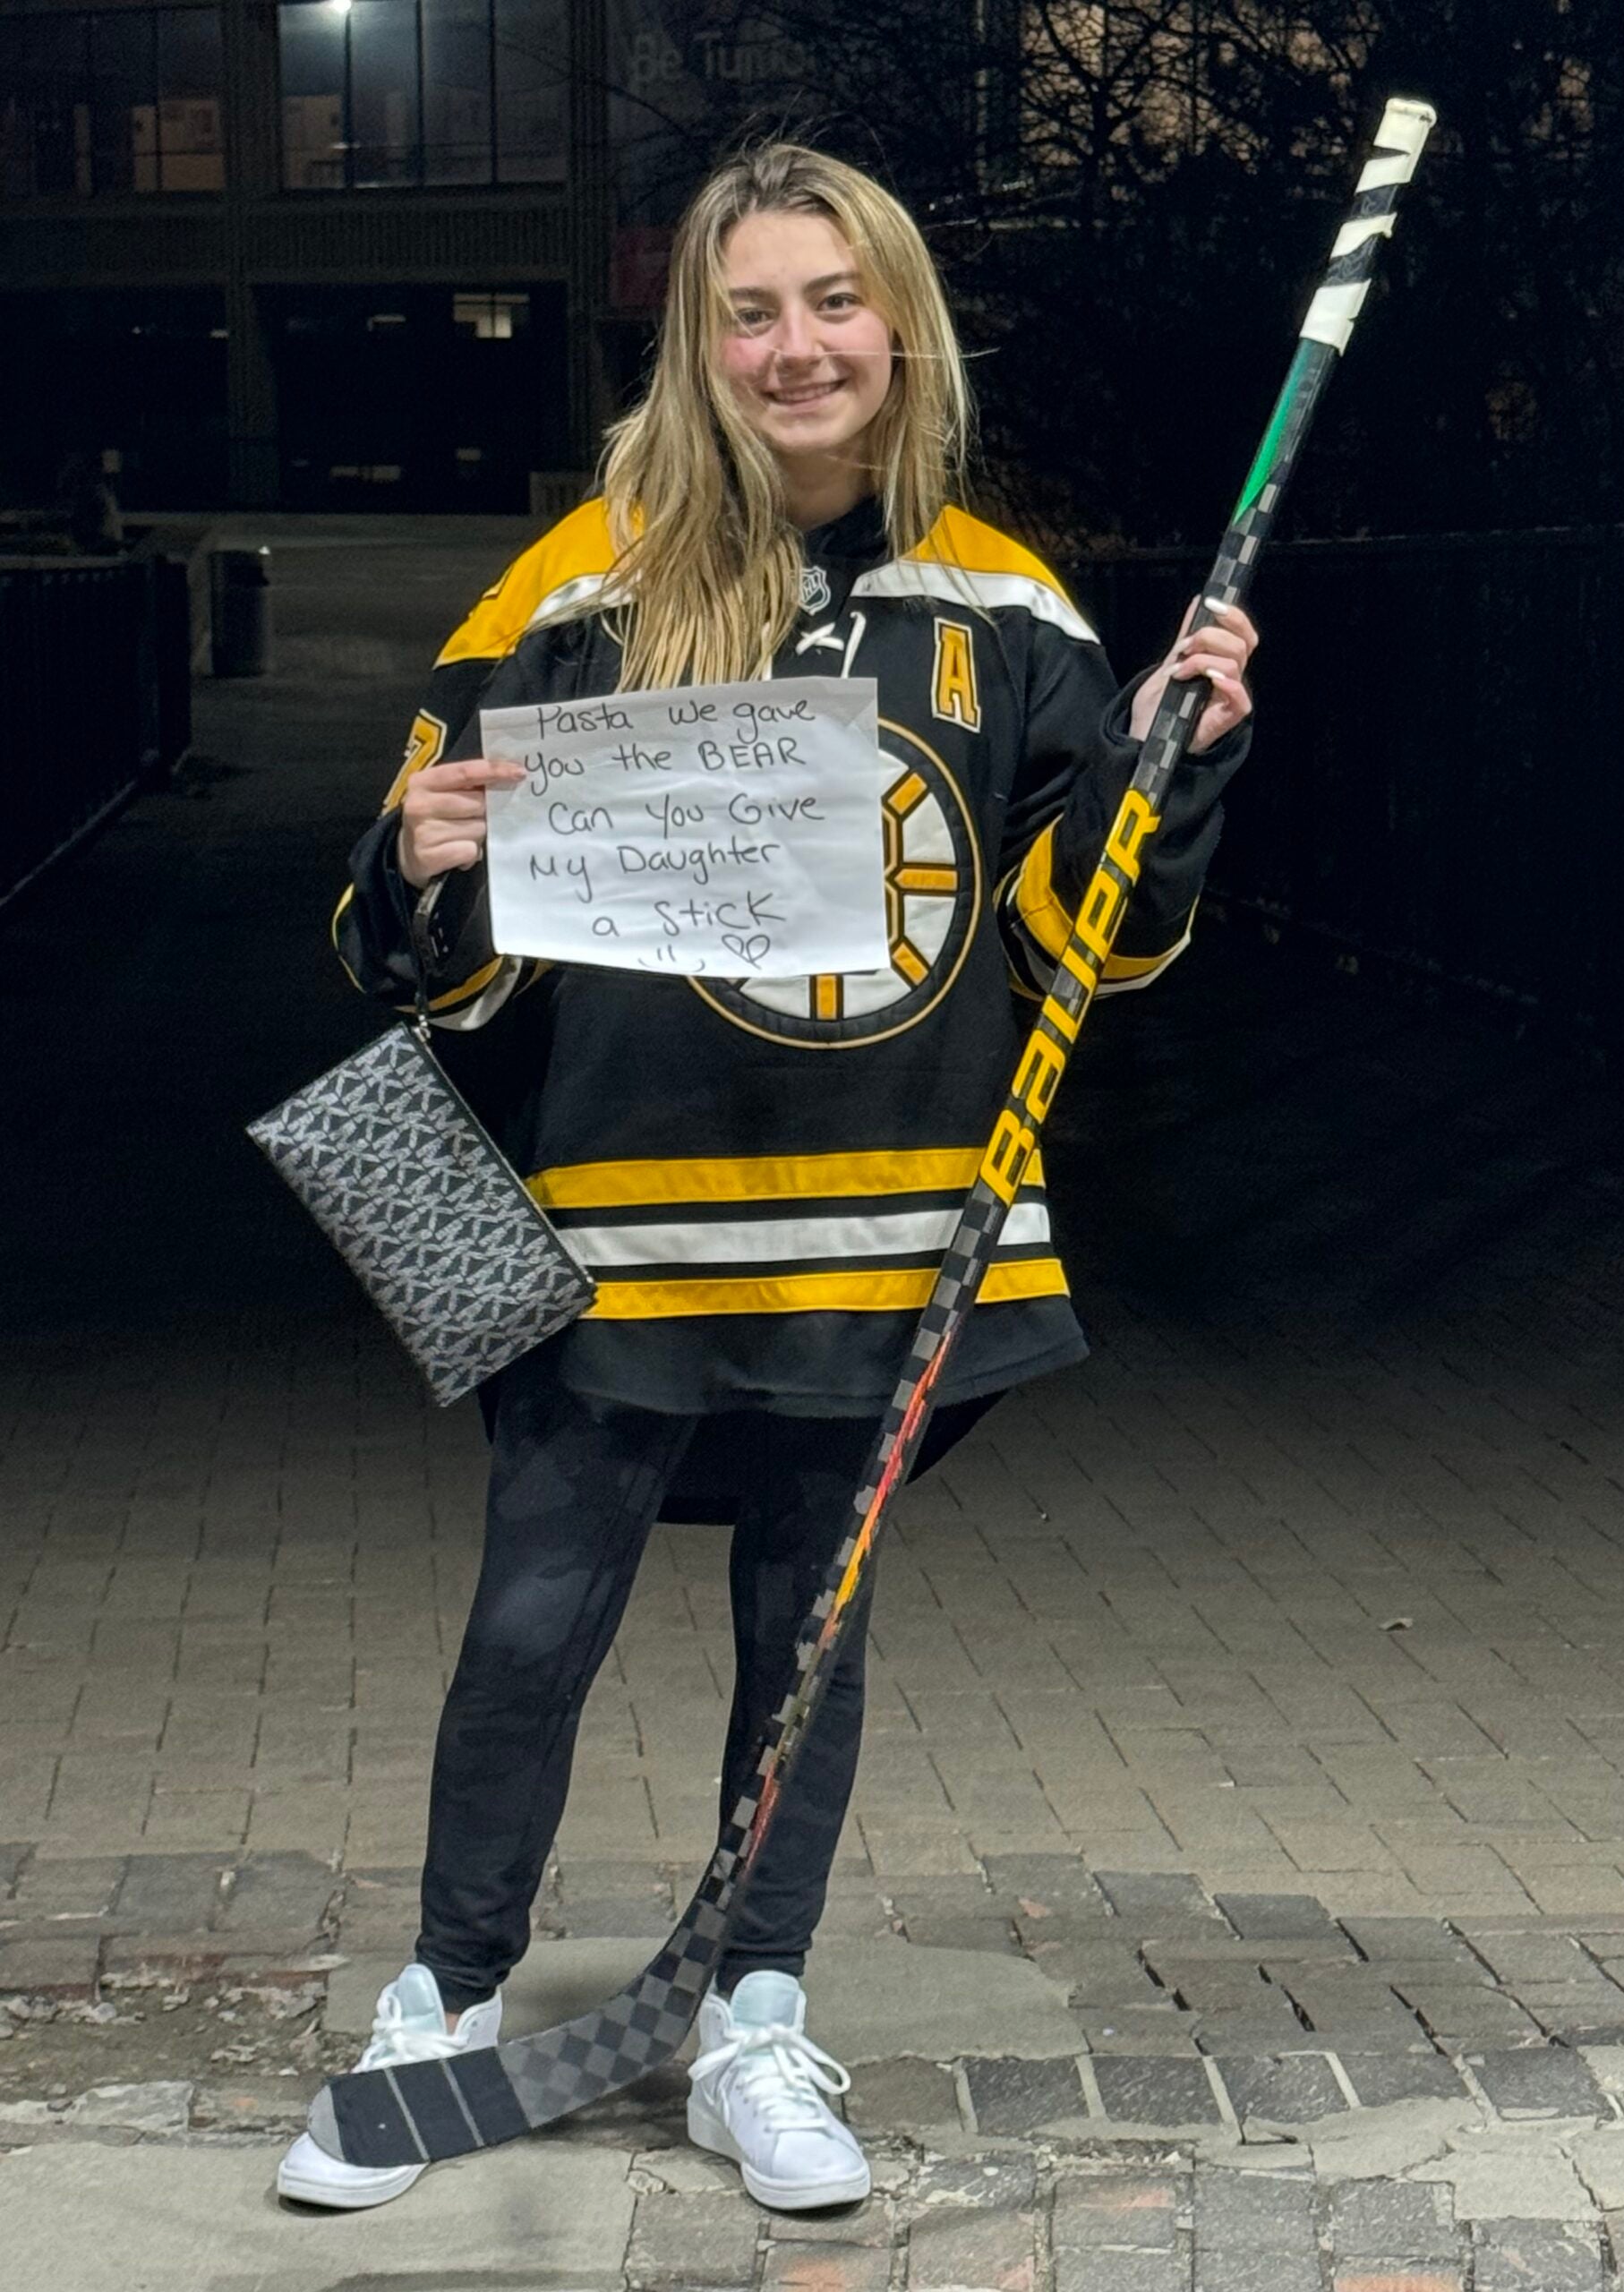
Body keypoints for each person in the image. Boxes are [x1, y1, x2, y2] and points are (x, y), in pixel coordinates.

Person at [279, 141, 1257, 2217]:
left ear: (897, 323)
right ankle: (443, 2000)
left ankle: (749, 2012)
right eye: (752, 309)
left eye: (834, 300)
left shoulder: (1006, 606)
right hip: (609, 1234)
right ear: (698, 345)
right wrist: (426, 865)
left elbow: (1098, 946)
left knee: (806, 1626)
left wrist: (1175, 771)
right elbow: (414, 948)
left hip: (888, 1228)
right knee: (533, 1622)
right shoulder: (576, 589)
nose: (797, 344)